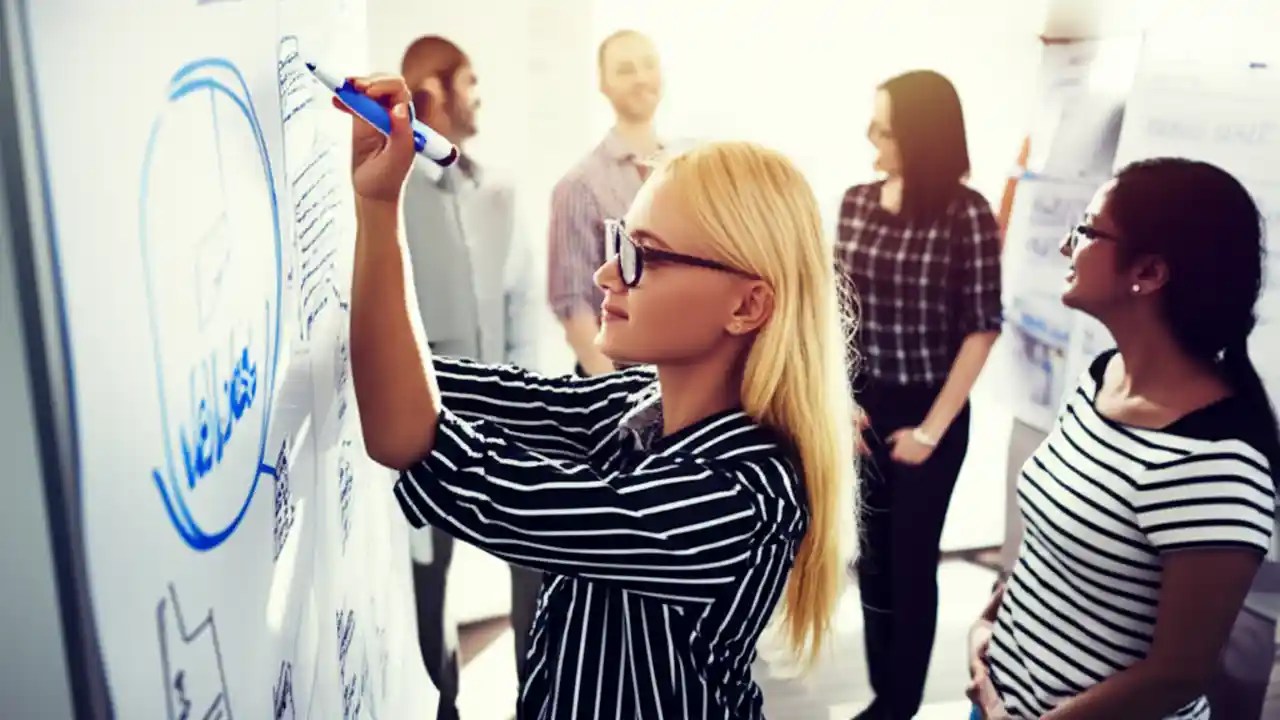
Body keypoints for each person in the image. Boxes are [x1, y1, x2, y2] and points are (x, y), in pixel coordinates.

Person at [334, 75, 857, 719]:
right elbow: (456, 388)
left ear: (747, 305)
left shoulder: (739, 496)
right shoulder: (640, 407)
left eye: (646, 257)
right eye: (620, 243)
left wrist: (379, 208)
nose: (607, 274)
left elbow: (436, 454)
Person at [968, 158, 1279, 719]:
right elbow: (1052, 545)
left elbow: (1176, 675)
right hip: (999, 696)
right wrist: (989, 626)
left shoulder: (1215, 465)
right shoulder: (1100, 376)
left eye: (1086, 231)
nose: (1067, 247)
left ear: (1151, 272)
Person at [836, 70, 1003, 720]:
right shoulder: (855, 200)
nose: (871, 137)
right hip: (859, 404)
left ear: (921, 136)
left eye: (886, 127)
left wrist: (931, 431)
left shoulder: (969, 214)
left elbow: (982, 326)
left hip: (934, 408)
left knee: (910, 560)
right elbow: (832, 310)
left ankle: (899, 703)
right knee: (871, 560)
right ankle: (886, 694)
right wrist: (838, 401)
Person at [397, 36, 542, 720]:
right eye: (471, 81)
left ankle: (539, 701)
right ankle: (440, 707)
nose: (479, 96)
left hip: (508, 426)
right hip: (423, 434)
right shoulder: (385, 195)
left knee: (538, 570)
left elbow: (520, 312)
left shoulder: (501, 192)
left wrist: (537, 425)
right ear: (433, 90)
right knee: (424, 580)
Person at [548, 29, 664, 376]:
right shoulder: (578, 186)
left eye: (648, 65)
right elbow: (572, 305)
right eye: (626, 69)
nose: (641, 77)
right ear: (603, 83)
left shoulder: (686, 172)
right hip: (615, 381)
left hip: (680, 385)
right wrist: (612, 393)